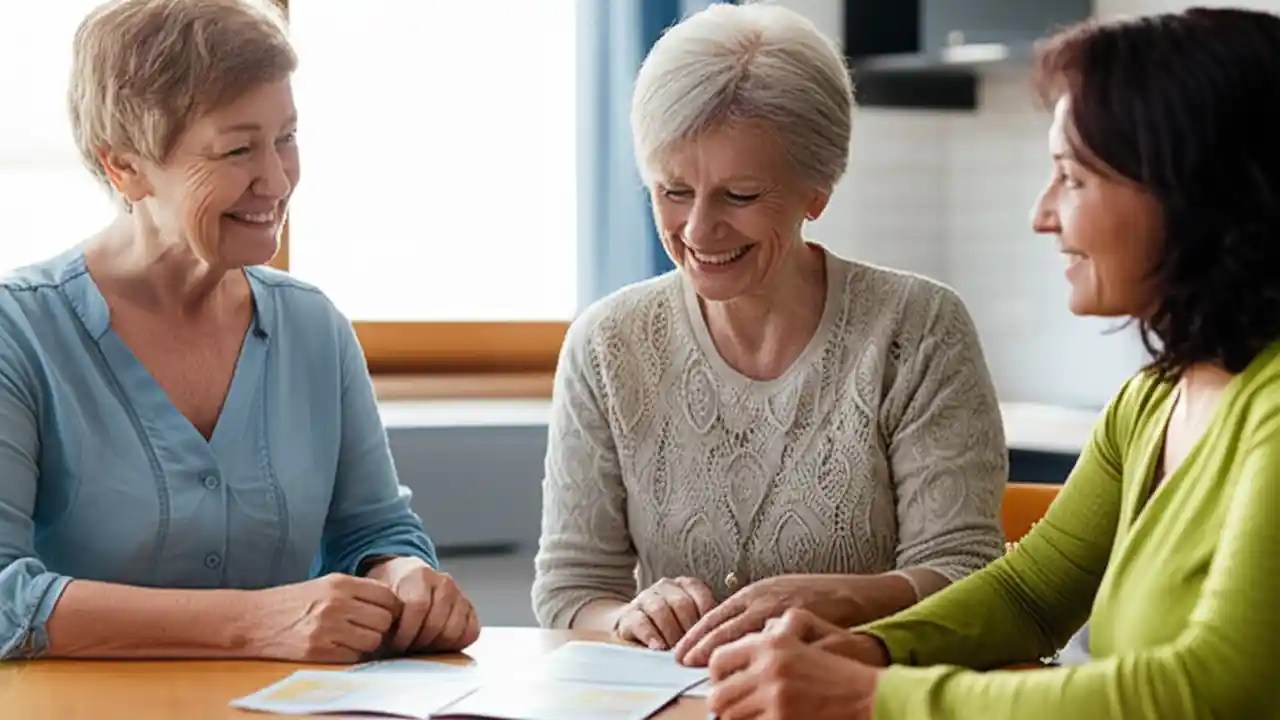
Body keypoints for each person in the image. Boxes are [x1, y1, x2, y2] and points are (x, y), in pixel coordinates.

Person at [706, 8, 1280, 719]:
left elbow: (1214, 690)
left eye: (1072, 179)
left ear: (1193, 193)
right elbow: (1030, 595)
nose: (1043, 214)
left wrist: (871, 696)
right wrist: (869, 650)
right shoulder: (1151, 401)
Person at [0, 0, 478, 662]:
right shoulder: (19, 333)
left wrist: (403, 578)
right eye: (237, 149)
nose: (278, 180)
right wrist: (251, 622)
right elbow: (3, 598)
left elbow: (373, 528)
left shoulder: (314, 328)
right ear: (125, 167)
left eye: (286, 137)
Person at [532, 2, 1006, 668]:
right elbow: (572, 591)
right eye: (672, 191)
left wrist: (851, 598)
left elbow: (967, 573)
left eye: (740, 196)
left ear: (817, 191)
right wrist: (630, 616)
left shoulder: (917, 329)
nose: (698, 231)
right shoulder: (607, 344)